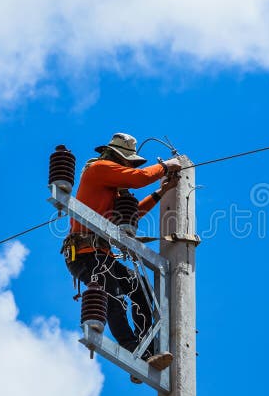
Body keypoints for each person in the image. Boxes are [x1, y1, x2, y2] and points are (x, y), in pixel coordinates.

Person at [62, 133, 181, 383]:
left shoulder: (112, 192)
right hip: (85, 255)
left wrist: (160, 193)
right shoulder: (98, 169)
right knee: (114, 295)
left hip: (102, 256)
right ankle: (132, 350)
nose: (130, 167)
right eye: (129, 163)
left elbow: (132, 213)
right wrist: (165, 167)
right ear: (118, 157)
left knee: (139, 290)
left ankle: (146, 351)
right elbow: (138, 180)